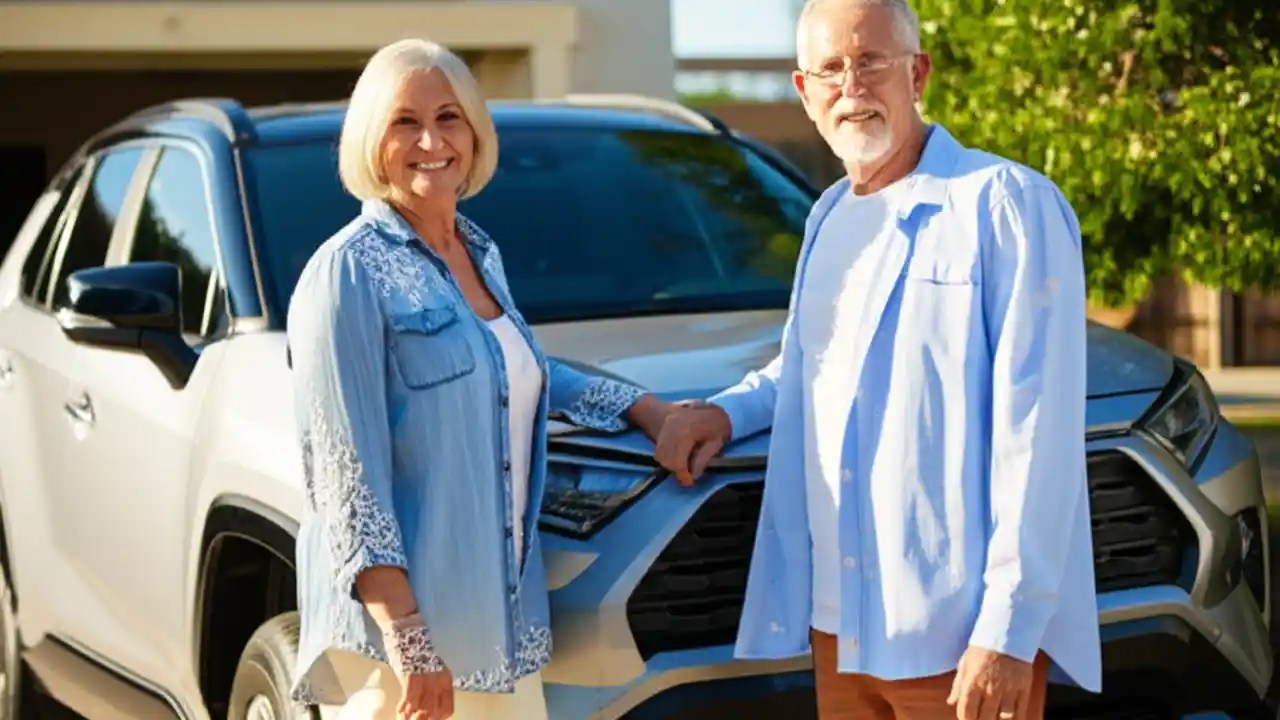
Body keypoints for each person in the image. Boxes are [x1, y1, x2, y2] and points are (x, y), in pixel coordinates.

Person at [653, 1, 1102, 718]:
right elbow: (810, 369)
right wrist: (726, 414)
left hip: (958, 640)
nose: (851, 85)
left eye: (871, 61)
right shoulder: (829, 217)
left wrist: (1010, 633)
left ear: (917, 72)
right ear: (804, 93)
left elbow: (1038, 433)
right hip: (843, 629)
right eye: (830, 68)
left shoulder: (1004, 205)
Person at [286, 38, 673, 720]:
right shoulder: (346, 272)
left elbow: (510, 371)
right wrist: (410, 641)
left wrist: (643, 407)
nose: (431, 140)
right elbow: (348, 481)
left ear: (475, 133)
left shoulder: (478, 252)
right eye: (404, 121)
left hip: (500, 635)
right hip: (411, 646)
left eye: (449, 117)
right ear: (370, 138)